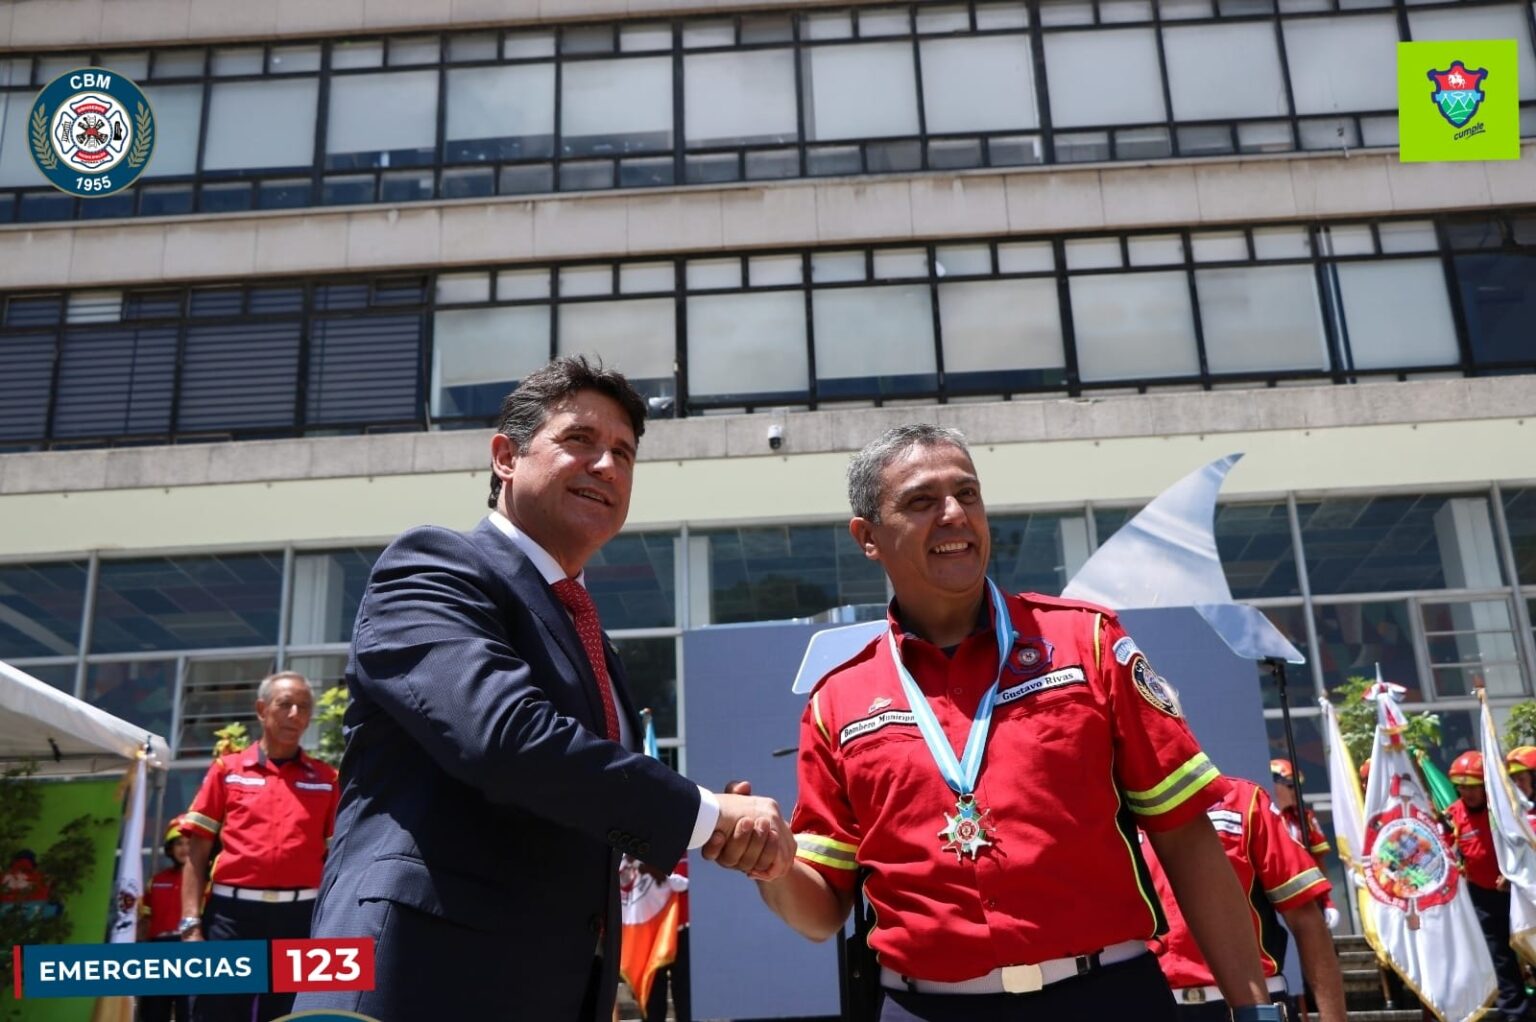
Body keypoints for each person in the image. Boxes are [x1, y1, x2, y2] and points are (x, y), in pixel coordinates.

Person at [294, 357, 792, 1022]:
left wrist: (707, 819)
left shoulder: (585, 630)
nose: (607, 466)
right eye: (579, 441)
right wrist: (704, 818)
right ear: (505, 456)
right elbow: (507, 738)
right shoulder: (434, 567)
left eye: (623, 453)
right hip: (419, 982)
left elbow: (580, 793)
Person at [753, 423, 1277, 1022]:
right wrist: (769, 866)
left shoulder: (1089, 642)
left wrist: (1254, 1010)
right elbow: (821, 911)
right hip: (920, 1008)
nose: (953, 514)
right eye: (922, 501)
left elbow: (1185, 833)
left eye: (967, 494)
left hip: (1107, 997)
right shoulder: (835, 702)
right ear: (867, 537)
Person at [178, 671, 337, 1022]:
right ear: (262, 709)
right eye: (285, 705)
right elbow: (197, 851)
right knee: (217, 1012)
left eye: (304, 707)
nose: (295, 714)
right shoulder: (227, 770)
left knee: (291, 1013)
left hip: (301, 920)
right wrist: (190, 925)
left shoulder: (327, 779)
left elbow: (339, 859)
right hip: (231, 919)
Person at [1142, 777, 1348, 1022]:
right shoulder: (1119, 815)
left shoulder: (1244, 800)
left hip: (1253, 1007)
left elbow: (1305, 918)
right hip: (1154, 1006)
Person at [1447, 750, 1532, 1021]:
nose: (1467, 793)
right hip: (1481, 895)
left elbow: (1523, 845)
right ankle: (1514, 1014)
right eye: (1461, 787)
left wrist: (1512, 873)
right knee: (1500, 958)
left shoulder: (1507, 807)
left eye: (1473, 787)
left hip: (1517, 891)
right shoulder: (1453, 814)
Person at [138, 819, 192, 1022]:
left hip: (189, 951)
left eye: (189, 843)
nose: (184, 849)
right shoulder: (157, 880)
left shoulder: (205, 881)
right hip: (157, 951)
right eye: (179, 844)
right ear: (170, 849)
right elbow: (145, 918)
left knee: (188, 1012)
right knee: (153, 1011)